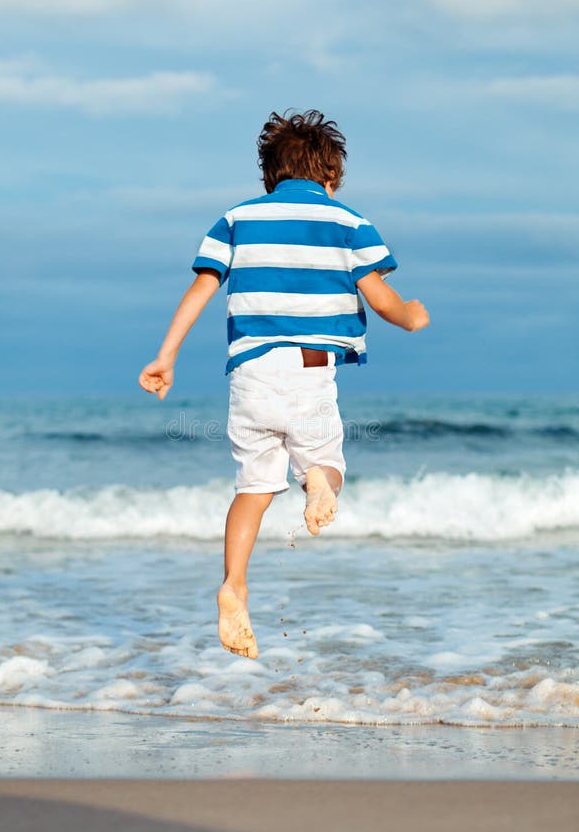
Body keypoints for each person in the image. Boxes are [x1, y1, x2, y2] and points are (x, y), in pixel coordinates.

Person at [139, 109, 429, 660]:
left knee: (253, 488)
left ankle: (234, 586)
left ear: (269, 175)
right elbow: (381, 298)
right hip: (310, 371)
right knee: (328, 466)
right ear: (331, 176)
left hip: (249, 375)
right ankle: (318, 480)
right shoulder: (348, 222)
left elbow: (202, 289)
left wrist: (166, 356)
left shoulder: (236, 219)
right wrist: (412, 316)